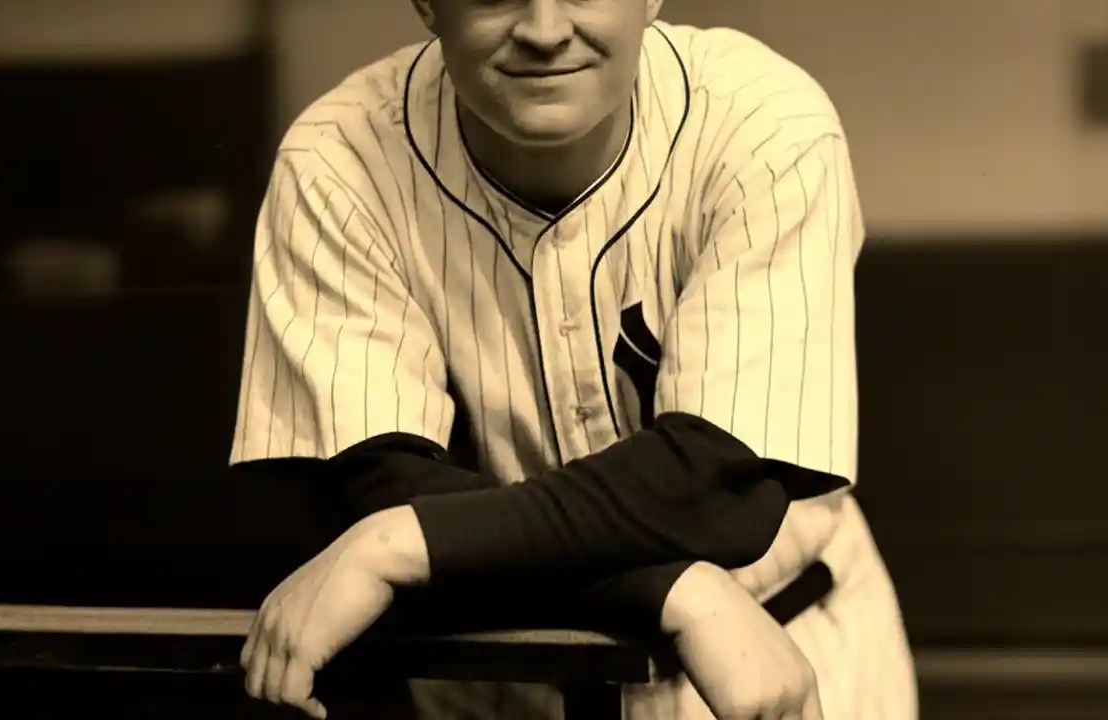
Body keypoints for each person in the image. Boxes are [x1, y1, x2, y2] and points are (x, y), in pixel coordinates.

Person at [230, 1, 918, 718]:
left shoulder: (764, 122)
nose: (545, 30)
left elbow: (720, 490)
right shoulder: (336, 159)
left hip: (775, 651)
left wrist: (405, 540)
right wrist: (670, 590)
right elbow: (373, 493)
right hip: (503, 677)